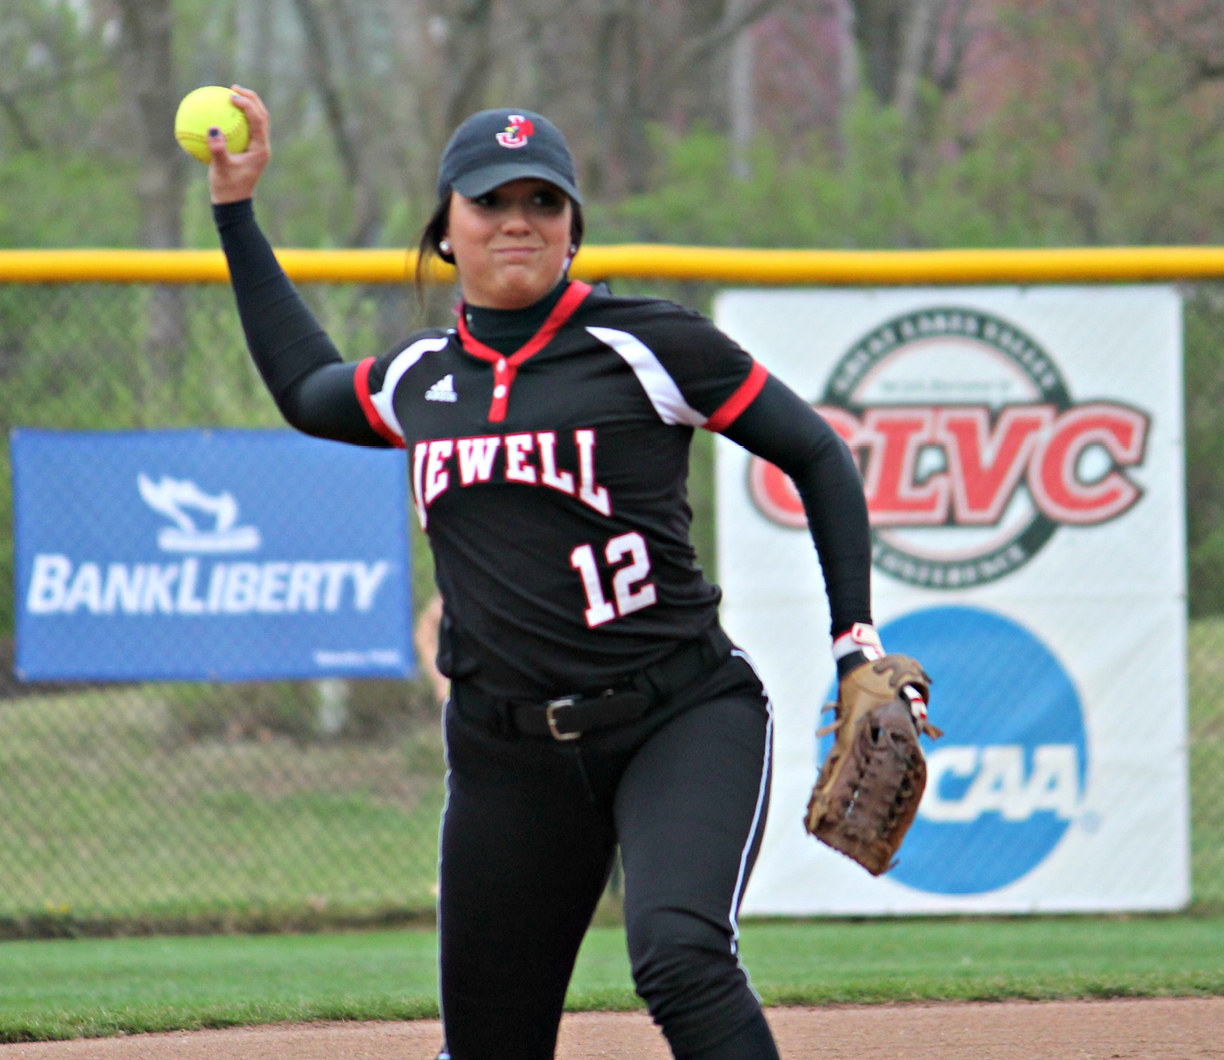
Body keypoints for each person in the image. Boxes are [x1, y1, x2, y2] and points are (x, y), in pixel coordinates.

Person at [207, 91, 880, 1060]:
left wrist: (854, 642)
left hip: (677, 717)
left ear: (573, 230)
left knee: (680, 957)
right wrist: (236, 211)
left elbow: (816, 452)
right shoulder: (419, 379)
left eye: (542, 200)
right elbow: (306, 389)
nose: (517, 219)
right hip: (506, 754)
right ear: (446, 230)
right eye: (489, 200)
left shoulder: (648, 346)